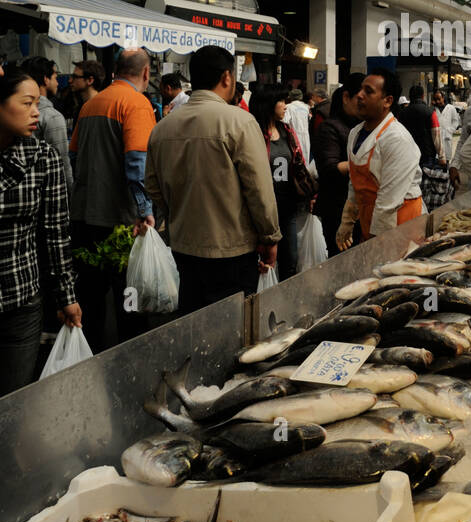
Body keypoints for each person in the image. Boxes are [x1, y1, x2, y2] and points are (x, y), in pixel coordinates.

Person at [143, 45, 281, 314]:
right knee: (231, 327)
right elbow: (259, 190)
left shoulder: (163, 127)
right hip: (232, 249)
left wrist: (177, 213)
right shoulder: (239, 122)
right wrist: (269, 236)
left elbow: (153, 186)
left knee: (194, 323)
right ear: (227, 77)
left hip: (184, 245)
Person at [0, 68, 81, 395]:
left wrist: (66, 296)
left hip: (21, 297)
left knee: (12, 397)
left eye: (38, 102)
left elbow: (55, 232)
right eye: (27, 102)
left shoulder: (42, 157)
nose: (36, 112)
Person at [69, 47, 156, 350]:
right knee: (128, 303)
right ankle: (128, 366)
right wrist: (145, 209)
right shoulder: (137, 104)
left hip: (84, 217)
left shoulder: (92, 104)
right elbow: (137, 164)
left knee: (91, 300)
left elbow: (74, 155)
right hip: (120, 222)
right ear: (146, 73)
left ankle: (90, 360)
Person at [336, 70, 423, 247]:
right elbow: (355, 184)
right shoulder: (355, 133)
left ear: (387, 101)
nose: (359, 95)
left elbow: (388, 203)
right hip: (372, 223)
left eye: (368, 92)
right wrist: (347, 221)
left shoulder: (397, 139)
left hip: (401, 225)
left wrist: (377, 245)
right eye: (360, 90)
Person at [249, 85, 303, 280]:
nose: (286, 106)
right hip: (261, 210)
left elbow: (299, 162)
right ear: (269, 105)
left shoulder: (286, 130)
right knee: (262, 263)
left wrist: (309, 192)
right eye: (281, 101)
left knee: (291, 260)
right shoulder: (253, 133)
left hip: (287, 206)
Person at [312, 74, 364, 256]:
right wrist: (366, 163)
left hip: (360, 208)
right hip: (337, 207)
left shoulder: (363, 126)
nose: (363, 102)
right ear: (346, 98)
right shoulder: (330, 127)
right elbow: (328, 168)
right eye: (359, 98)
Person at [20, 56, 73, 194]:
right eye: (55, 78)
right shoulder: (52, 116)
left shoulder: (15, 112)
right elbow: (63, 163)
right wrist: (70, 193)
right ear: (45, 79)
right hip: (46, 192)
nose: (57, 83)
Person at [399, 84, 444, 168]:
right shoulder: (430, 112)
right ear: (423, 96)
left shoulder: (402, 114)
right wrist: (442, 157)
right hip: (427, 155)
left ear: (410, 96)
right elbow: (436, 135)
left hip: (408, 156)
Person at [62, 59, 105, 135]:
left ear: (90, 80)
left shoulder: (101, 108)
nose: (70, 80)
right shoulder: (81, 107)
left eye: (75, 77)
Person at [432, 89, 460, 162]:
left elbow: (455, 121)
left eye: (439, 99)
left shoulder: (451, 108)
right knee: (437, 158)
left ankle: (446, 170)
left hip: (447, 136)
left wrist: (450, 130)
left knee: (447, 158)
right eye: (435, 99)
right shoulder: (433, 109)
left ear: (443, 98)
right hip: (437, 137)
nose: (437, 101)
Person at [285, 88, 311, 163]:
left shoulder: (288, 107)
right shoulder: (306, 107)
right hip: (306, 136)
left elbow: (285, 120)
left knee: (296, 158)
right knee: (306, 157)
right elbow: (309, 118)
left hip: (293, 136)